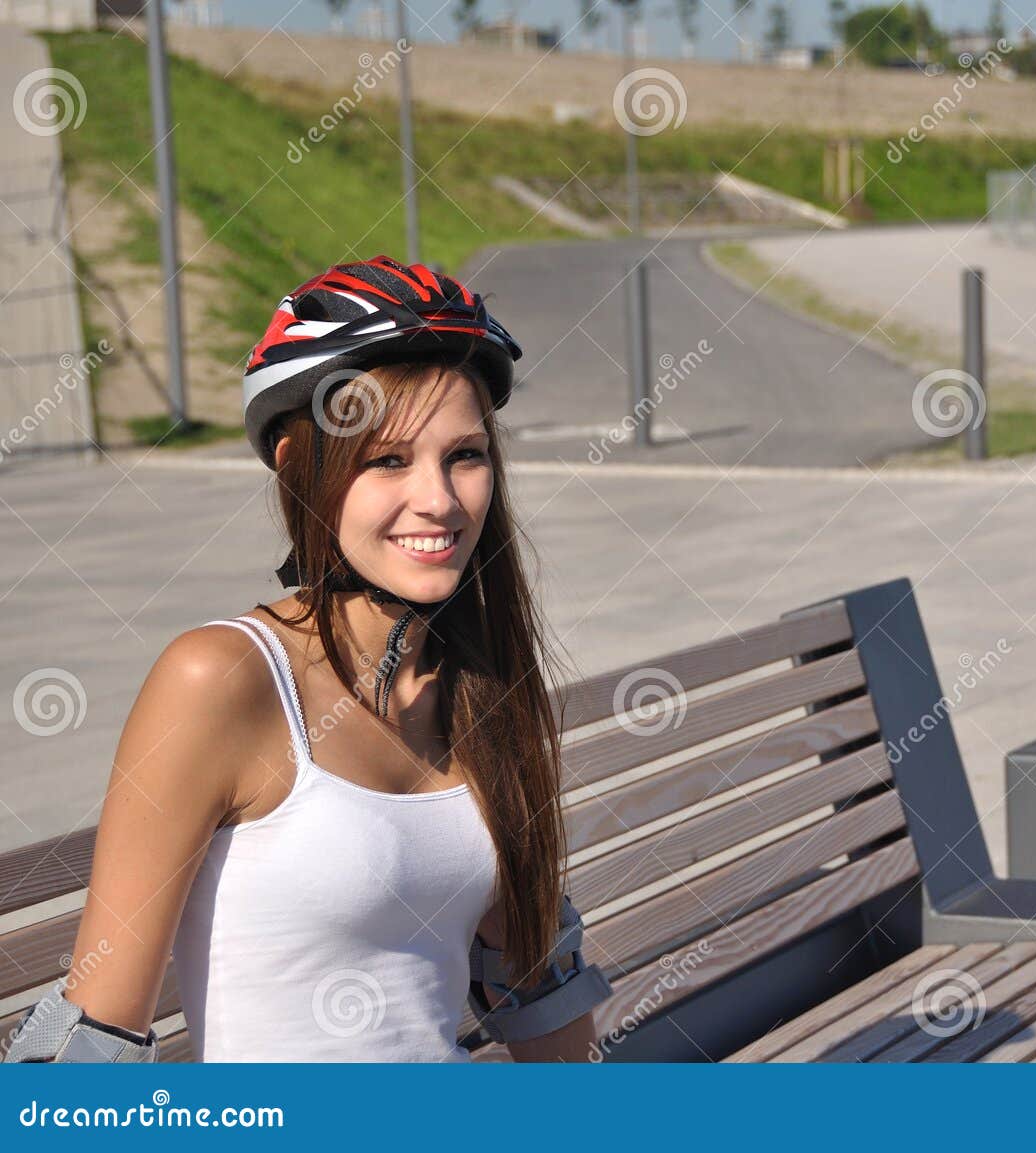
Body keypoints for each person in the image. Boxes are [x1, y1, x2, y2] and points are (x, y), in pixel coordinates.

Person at [5, 256, 610, 1062]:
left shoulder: (479, 688)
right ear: (299, 472)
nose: (439, 499)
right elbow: (93, 1039)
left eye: (464, 454)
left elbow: (538, 991)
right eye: (388, 460)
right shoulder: (221, 679)